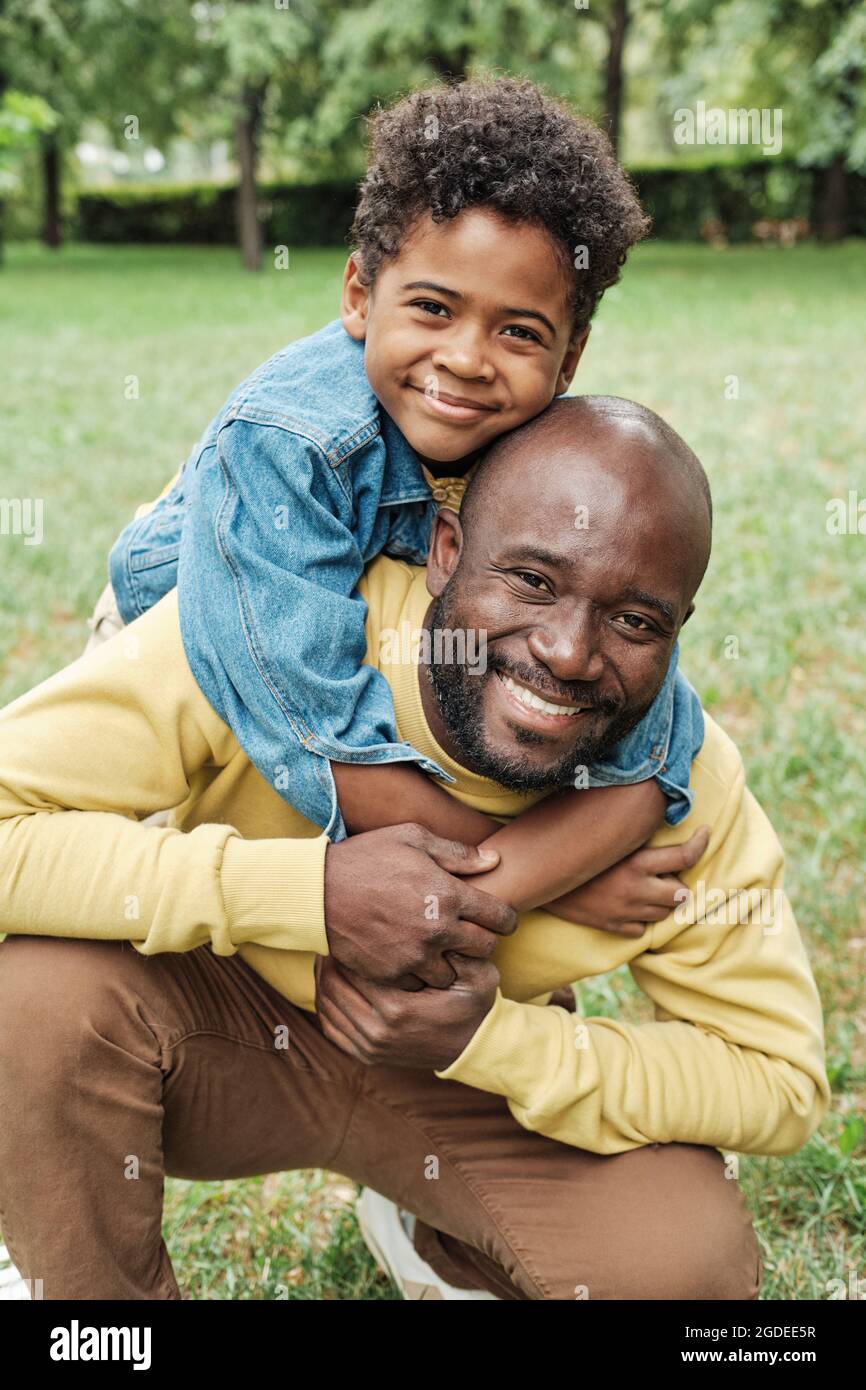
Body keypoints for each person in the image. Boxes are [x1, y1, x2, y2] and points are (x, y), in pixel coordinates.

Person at [0, 397, 829, 1299]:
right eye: (533, 581)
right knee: (36, 997)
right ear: (444, 551)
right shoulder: (274, 640)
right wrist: (307, 891)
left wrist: (496, 1041)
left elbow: (777, 1080)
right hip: (218, 1023)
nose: (567, 652)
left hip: (462, 1075)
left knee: (682, 1270)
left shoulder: (678, 786)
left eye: (634, 621)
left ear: (680, 628)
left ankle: (440, 1241)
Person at [93, 77, 707, 940]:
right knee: (154, 900)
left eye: (519, 331)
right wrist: (546, 880)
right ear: (358, 295)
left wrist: (532, 865)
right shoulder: (291, 444)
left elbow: (657, 750)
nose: (464, 360)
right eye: (431, 308)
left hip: (360, 637)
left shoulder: (533, 448)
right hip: (183, 627)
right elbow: (321, 739)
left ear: (570, 360)